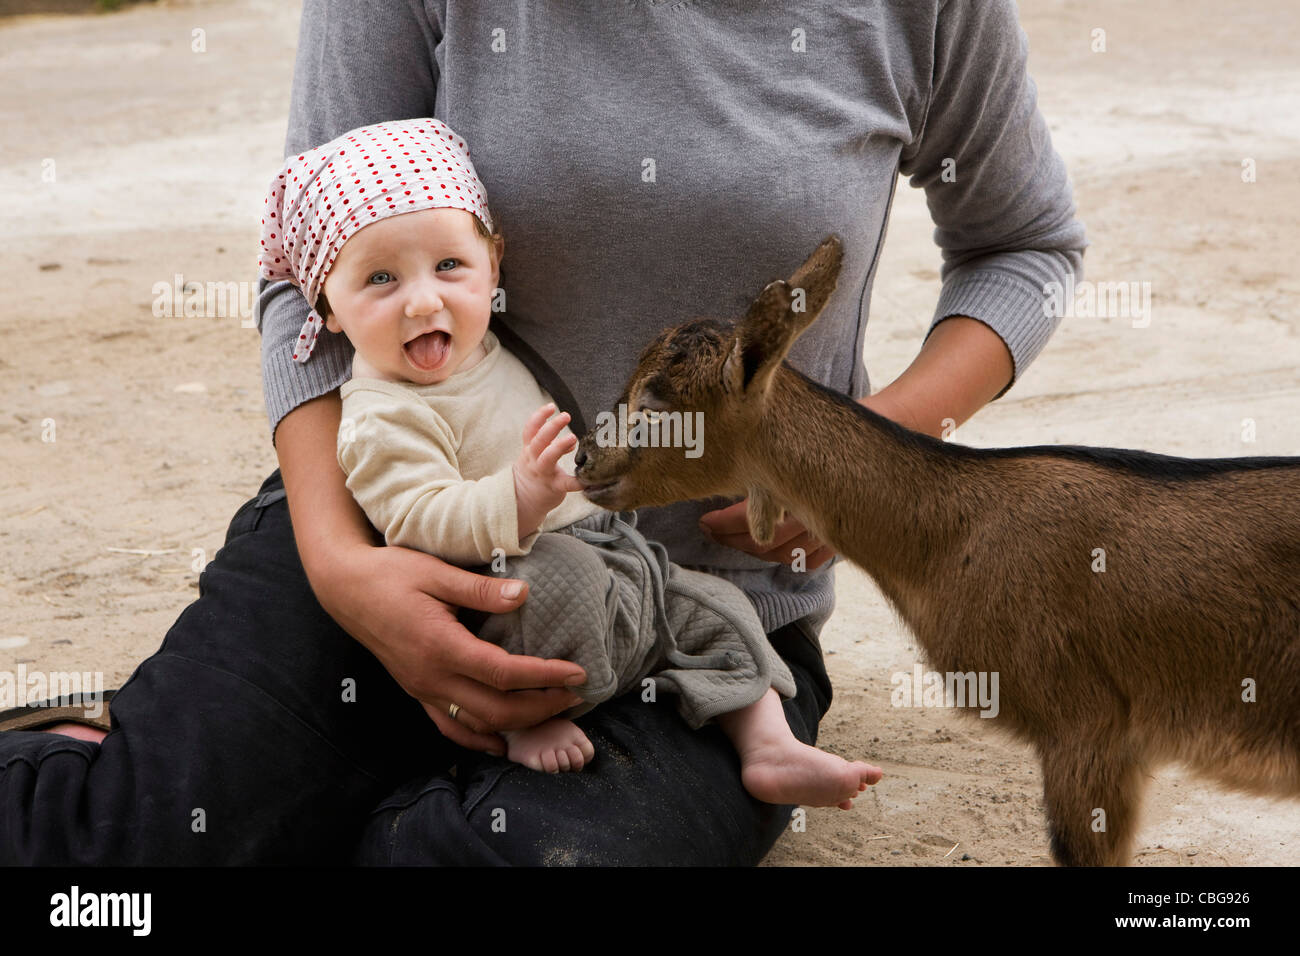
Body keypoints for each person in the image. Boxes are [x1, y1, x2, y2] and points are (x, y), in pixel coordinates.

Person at [0, 0, 1085, 865]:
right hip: (384, 538)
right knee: (110, 857)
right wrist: (338, 566)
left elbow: (1023, 244)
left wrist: (871, 455)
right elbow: (303, 280)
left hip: (683, 619)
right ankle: (89, 751)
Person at [260, 117, 882, 804]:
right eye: (381, 279)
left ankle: (768, 741)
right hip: (504, 566)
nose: (424, 299)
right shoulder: (380, 413)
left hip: (607, 546)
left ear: (493, 264)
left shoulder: (481, 344)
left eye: (450, 267)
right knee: (560, 591)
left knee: (717, 604)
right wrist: (519, 494)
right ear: (329, 310)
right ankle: (528, 721)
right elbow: (413, 516)